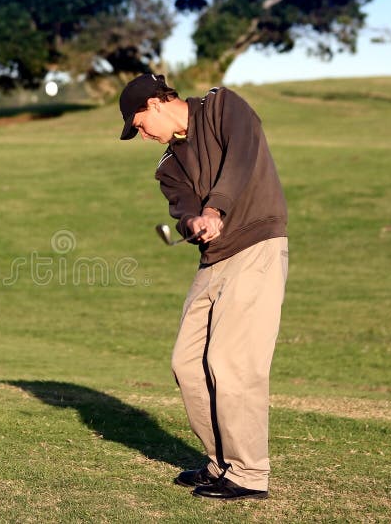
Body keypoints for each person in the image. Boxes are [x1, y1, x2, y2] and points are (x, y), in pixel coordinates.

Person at [119, 74, 289, 500]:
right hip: (213, 261)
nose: (142, 136)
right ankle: (221, 463)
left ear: (156, 103)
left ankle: (249, 474)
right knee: (187, 362)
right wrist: (194, 220)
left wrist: (215, 208)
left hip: (257, 244)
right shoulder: (168, 165)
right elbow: (183, 207)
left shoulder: (222, 107)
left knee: (232, 360)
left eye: (139, 124)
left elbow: (242, 158)